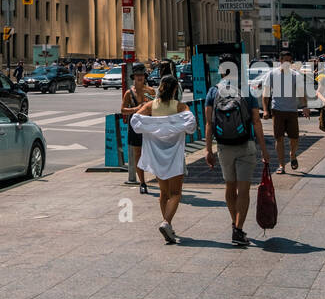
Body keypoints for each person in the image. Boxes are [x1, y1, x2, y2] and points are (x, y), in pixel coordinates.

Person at [205, 53, 269, 248]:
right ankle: (238, 230)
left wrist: (208, 149)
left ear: (221, 70)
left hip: (224, 146)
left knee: (229, 187)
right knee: (244, 190)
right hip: (245, 145)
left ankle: (236, 224)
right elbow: (256, 122)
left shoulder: (213, 92)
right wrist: (265, 150)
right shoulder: (247, 91)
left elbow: (209, 123)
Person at [129, 75, 195, 244]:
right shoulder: (180, 106)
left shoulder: (151, 106)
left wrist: (153, 128)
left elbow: (135, 120)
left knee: (164, 193)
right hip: (174, 154)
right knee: (176, 193)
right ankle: (166, 222)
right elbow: (191, 124)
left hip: (156, 154)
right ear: (175, 90)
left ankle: (168, 224)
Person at [261, 48, 309, 174]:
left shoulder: (295, 75)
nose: (287, 63)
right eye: (285, 60)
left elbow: (301, 93)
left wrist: (305, 106)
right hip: (277, 110)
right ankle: (281, 165)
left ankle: (292, 154)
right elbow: (265, 95)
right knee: (279, 138)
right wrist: (266, 110)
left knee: (294, 138)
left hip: (292, 111)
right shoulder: (271, 74)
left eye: (289, 60)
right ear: (280, 61)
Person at [120, 63, 155, 194]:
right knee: (137, 154)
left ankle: (159, 178)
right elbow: (123, 110)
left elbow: (156, 107)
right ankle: (142, 182)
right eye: (137, 75)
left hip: (148, 125)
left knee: (152, 152)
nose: (140, 77)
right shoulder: (129, 93)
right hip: (135, 126)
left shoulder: (151, 91)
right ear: (133, 77)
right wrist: (137, 108)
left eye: (142, 75)